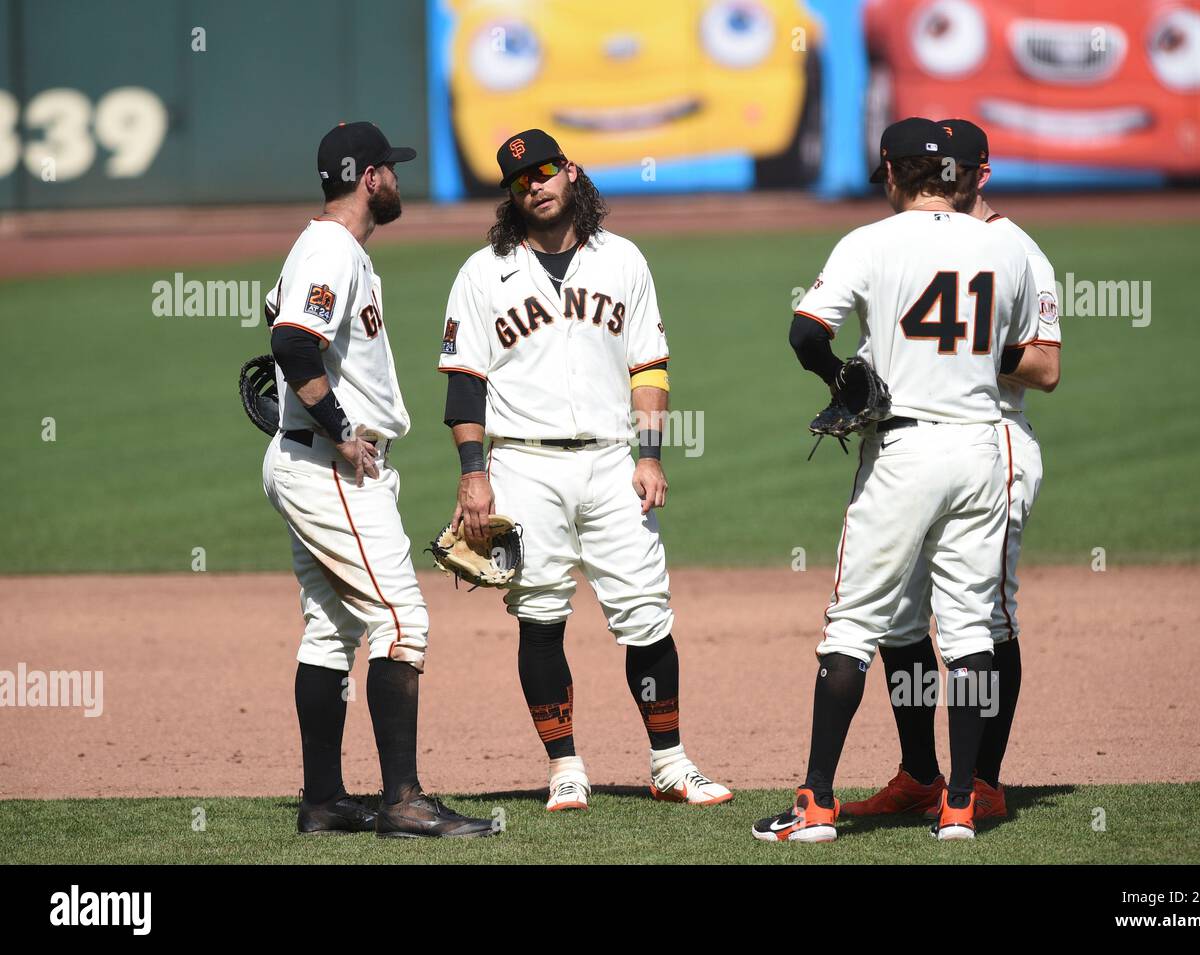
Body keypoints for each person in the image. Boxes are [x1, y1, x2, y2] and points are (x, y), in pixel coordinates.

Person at [752, 118, 1038, 843]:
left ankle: (814, 805)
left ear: (889, 171)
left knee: (854, 622)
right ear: (960, 176)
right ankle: (962, 805)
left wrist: (843, 376)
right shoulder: (1004, 247)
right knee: (971, 626)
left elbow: (805, 333)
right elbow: (1021, 356)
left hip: (905, 449)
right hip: (983, 449)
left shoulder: (870, 241)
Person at [436, 128, 731, 812]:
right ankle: (564, 765)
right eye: (519, 179)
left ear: (570, 171)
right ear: (512, 194)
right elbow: (463, 384)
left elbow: (648, 365)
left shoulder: (621, 260)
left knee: (647, 615)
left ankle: (670, 762)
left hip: (609, 462)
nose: (533, 184)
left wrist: (650, 454)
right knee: (539, 615)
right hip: (522, 466)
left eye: (543, 171)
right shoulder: (484, 272)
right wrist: (473, 475)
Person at [263, 121, 495, 838]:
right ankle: (403, 801)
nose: (397, 178)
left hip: (309, 456)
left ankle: (324, 802)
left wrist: (308, 408)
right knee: (403, 621)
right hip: (332, 464)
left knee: (332, 631)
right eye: (390, 168)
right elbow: (292, 341)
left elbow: (283, 326)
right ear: (368, 178)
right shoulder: (332, 247)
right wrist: (336, 425)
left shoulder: (327, 248)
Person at [840, 118, 1061, 822]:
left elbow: (1047, 366)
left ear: (979, 175)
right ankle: (919, 772)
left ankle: (985, 780)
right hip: (917, 447)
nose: (947, 181)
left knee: (986, 619)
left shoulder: (1013, 248)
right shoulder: (913, 241)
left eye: (960, 170)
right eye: (939, 169)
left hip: (995, 444)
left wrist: (966, 353)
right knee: (901, 617)